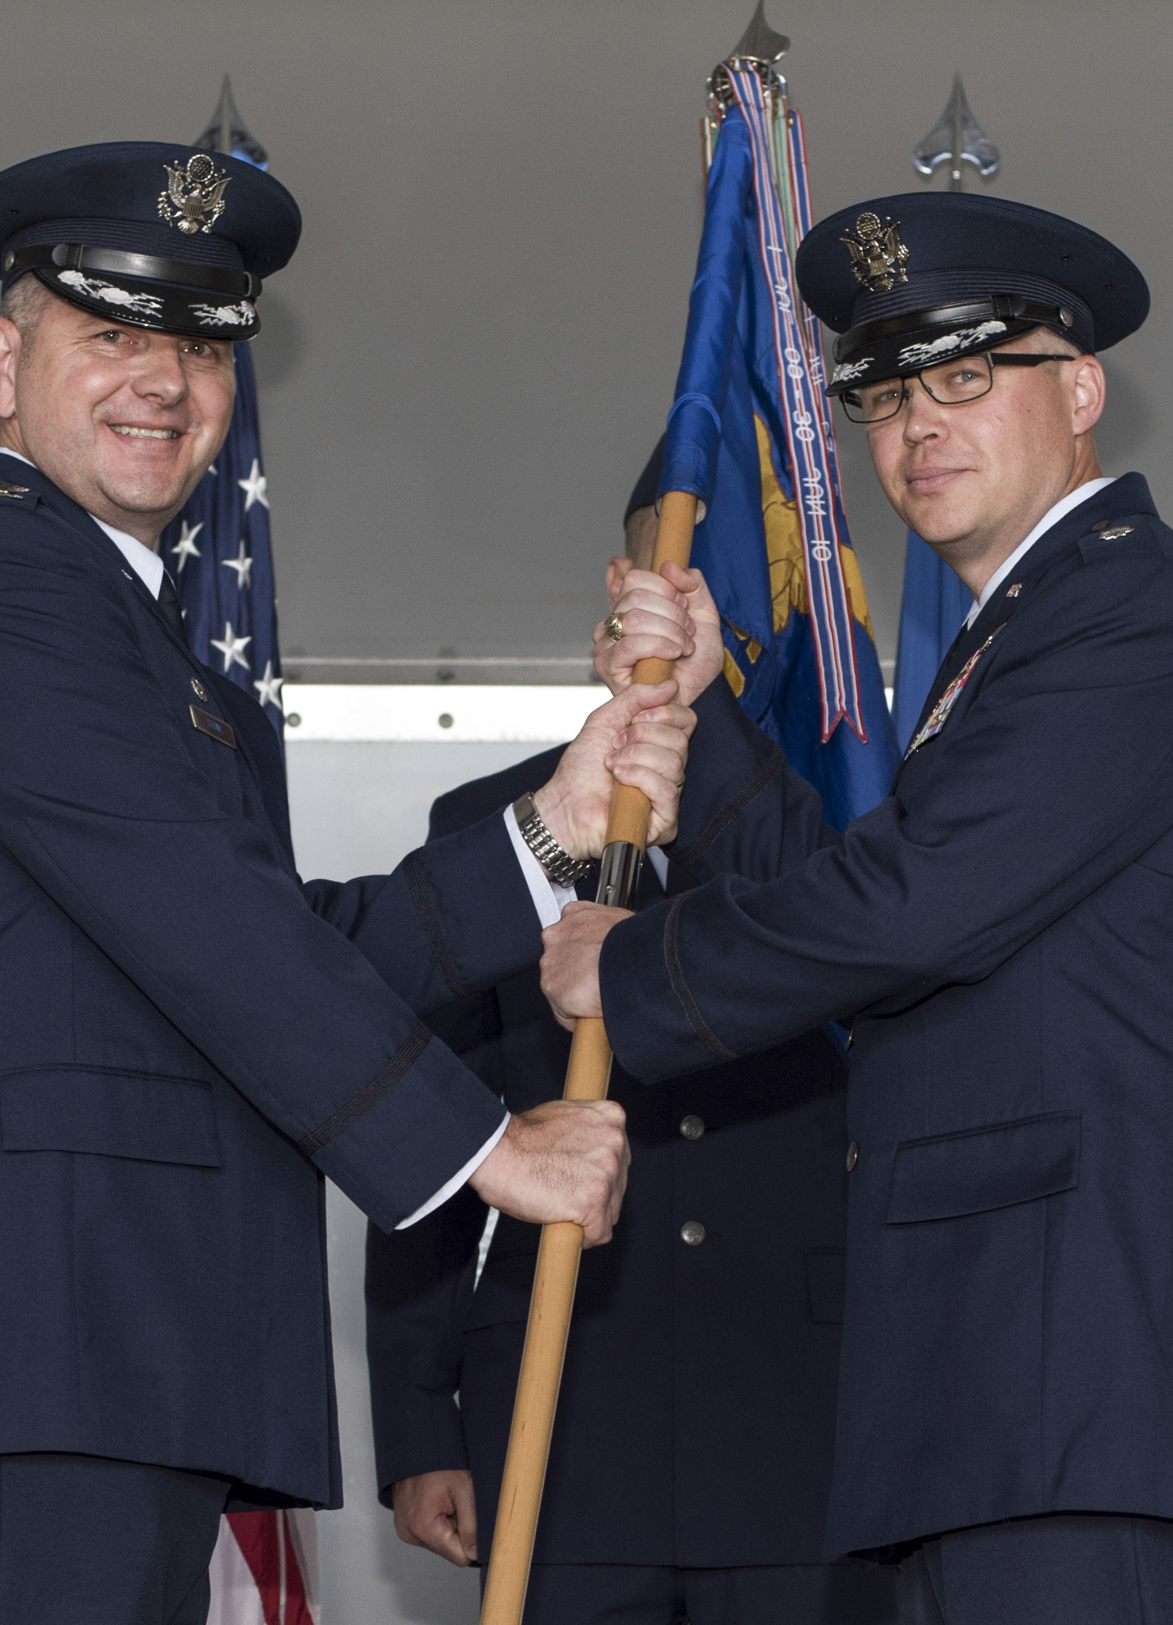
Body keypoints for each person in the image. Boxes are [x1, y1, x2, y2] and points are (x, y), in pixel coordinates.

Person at [0, 141, 697, 1625]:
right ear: (8, 363)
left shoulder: (123, 627)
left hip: (104, 1355)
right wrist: (483, 1152)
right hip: (32, 1352)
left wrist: (550, 819)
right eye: (112, 334)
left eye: (199, 344)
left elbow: (268, 933)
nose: (163, 380)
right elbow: (208, 932)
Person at [543, 192, 1173, 1623]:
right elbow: (888, 892)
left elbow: (909, 908)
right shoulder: (1017, 637)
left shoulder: (1132, 612)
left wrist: (636, 969)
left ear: (1079, 390)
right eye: (885, 395)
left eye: (968, 375)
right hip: (987, 1402)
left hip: (1088, 1395)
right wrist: (711, 708)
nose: (917, 427)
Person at [364, 447, 899, 1625]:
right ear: (618, 601)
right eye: (667, 587)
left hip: (796, 1413)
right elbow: (418, 1114)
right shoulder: (494, 830)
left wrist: (701, 724)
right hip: (568, 1409)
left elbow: (852, 963)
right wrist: (418, 1418)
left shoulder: (844, 827)